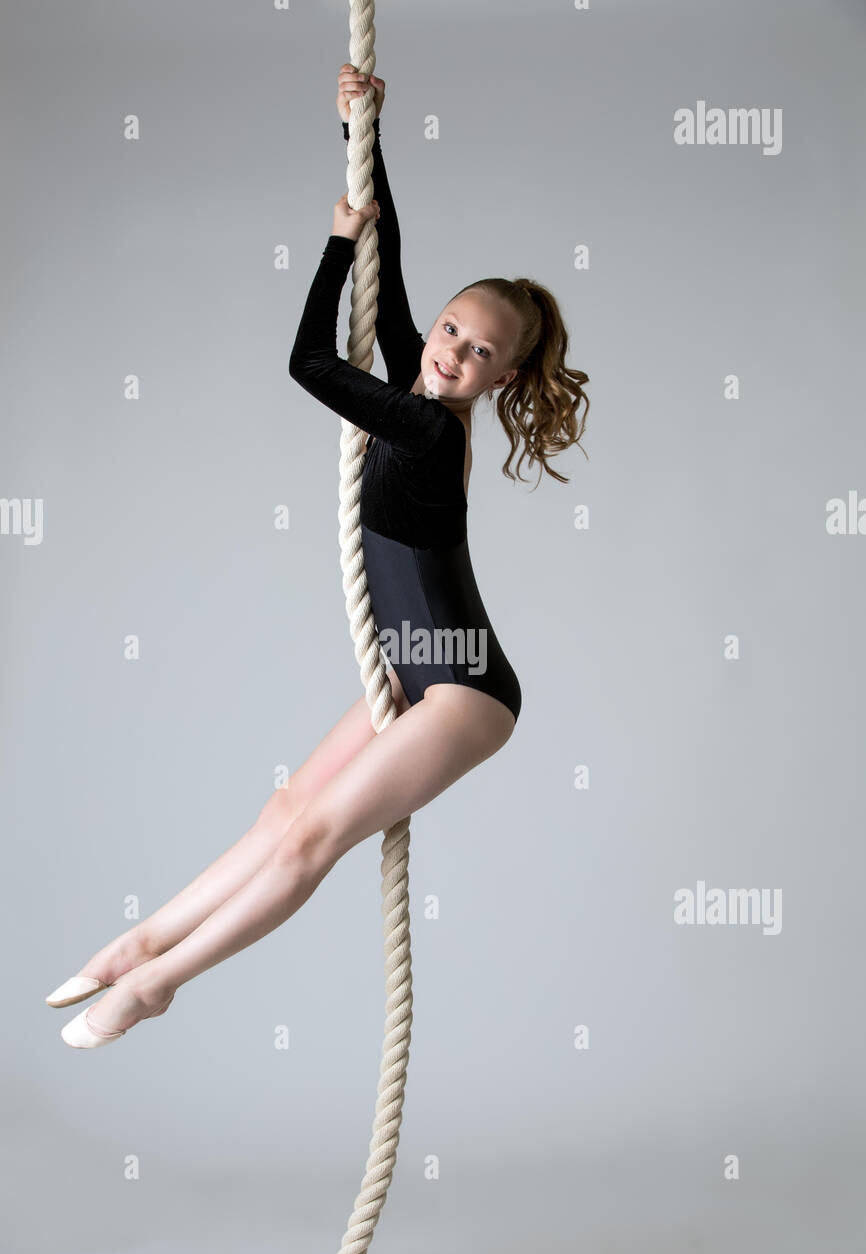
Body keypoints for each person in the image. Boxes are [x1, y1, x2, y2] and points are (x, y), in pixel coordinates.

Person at [47, 65, 590, 1048]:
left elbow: (307, 362)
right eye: (449, 329)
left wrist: (333, 249)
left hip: (466, 690)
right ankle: (141, 942)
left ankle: (159, 983)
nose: (451, 351)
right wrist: (361, 124)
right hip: (420, 670)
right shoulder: (421, 393)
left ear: (501, 376)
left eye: (478, 352)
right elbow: (393, 249)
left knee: (311, 839)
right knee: (283, 806)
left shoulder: (427, 431)